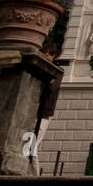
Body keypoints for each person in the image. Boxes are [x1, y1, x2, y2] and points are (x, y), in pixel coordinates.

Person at [32, 43, 64, 175]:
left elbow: (51, 88)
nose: (44, 59)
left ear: (52, 56)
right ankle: (30, 174)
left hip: (45, 114)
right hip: (34, 113)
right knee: (29, 146)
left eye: (46, 56)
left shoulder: (57, 72)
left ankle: (35, 177)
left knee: (31, 147)